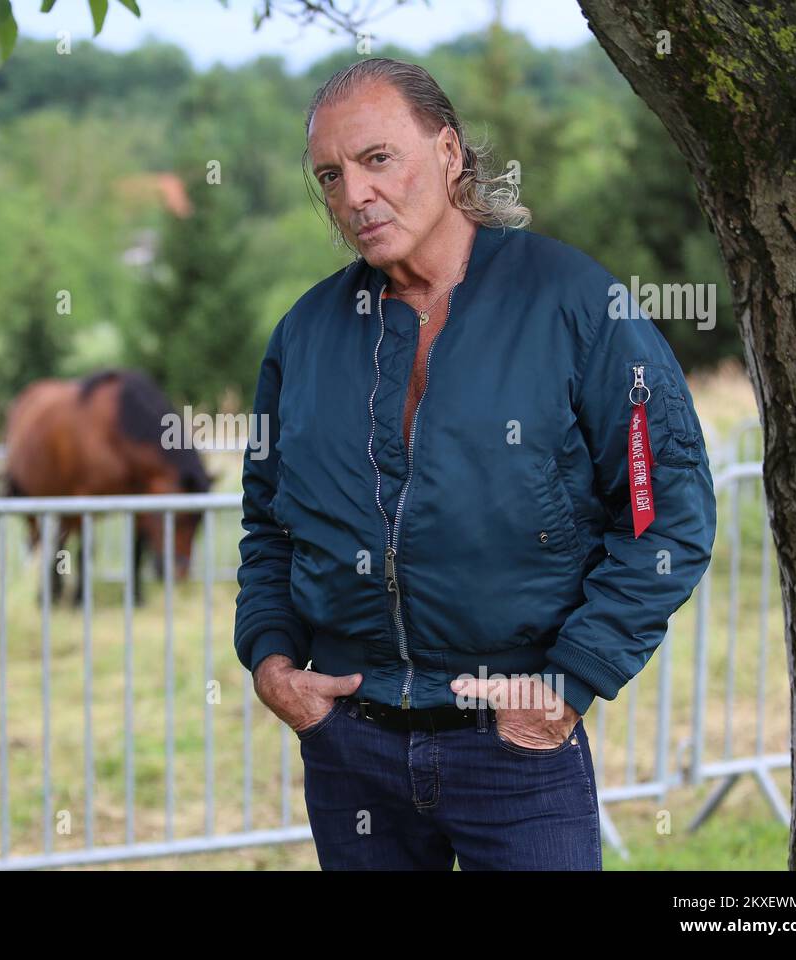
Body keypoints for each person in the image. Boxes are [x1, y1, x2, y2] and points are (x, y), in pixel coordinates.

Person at [233, 57, 717, 870]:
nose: (353, 195)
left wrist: (573, 681)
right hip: (352, 749)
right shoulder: (305, 335)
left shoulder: (576, 306)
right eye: (329, 174)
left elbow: (663, 511)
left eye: (377, 158)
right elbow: (267, 520)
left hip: (517, 747)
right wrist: (271, 659)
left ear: (450, 152)